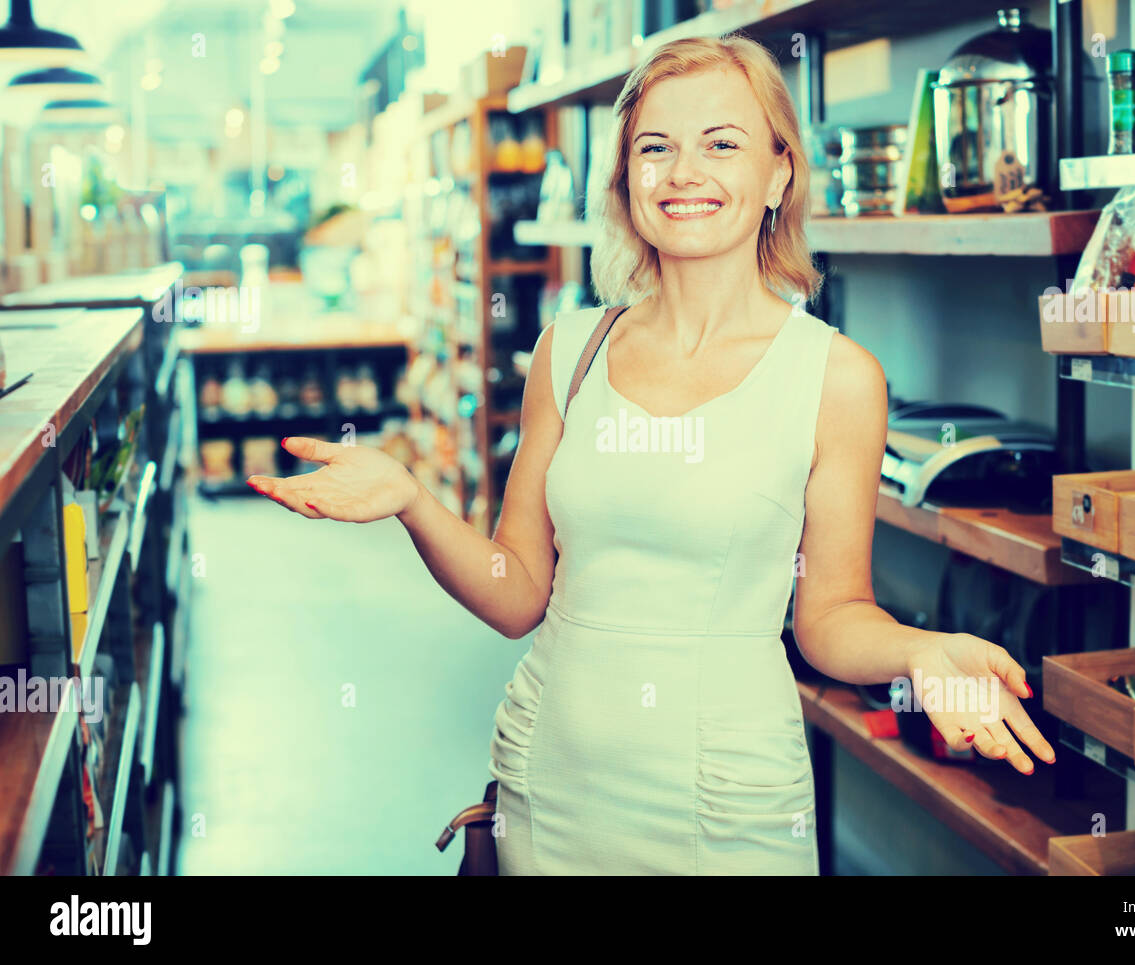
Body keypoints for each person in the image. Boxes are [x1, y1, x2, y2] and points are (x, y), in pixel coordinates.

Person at [248, 32, 1054, 875]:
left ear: (779, 172)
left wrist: (918, 651)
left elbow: (829, 618)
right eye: (655, 148)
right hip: (550, 781)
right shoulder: (569, 352)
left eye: (722, 144)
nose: (683, 174)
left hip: (732, 798)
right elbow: (517, 593)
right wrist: (414, 500)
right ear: (626, 177)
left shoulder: (836, 378)